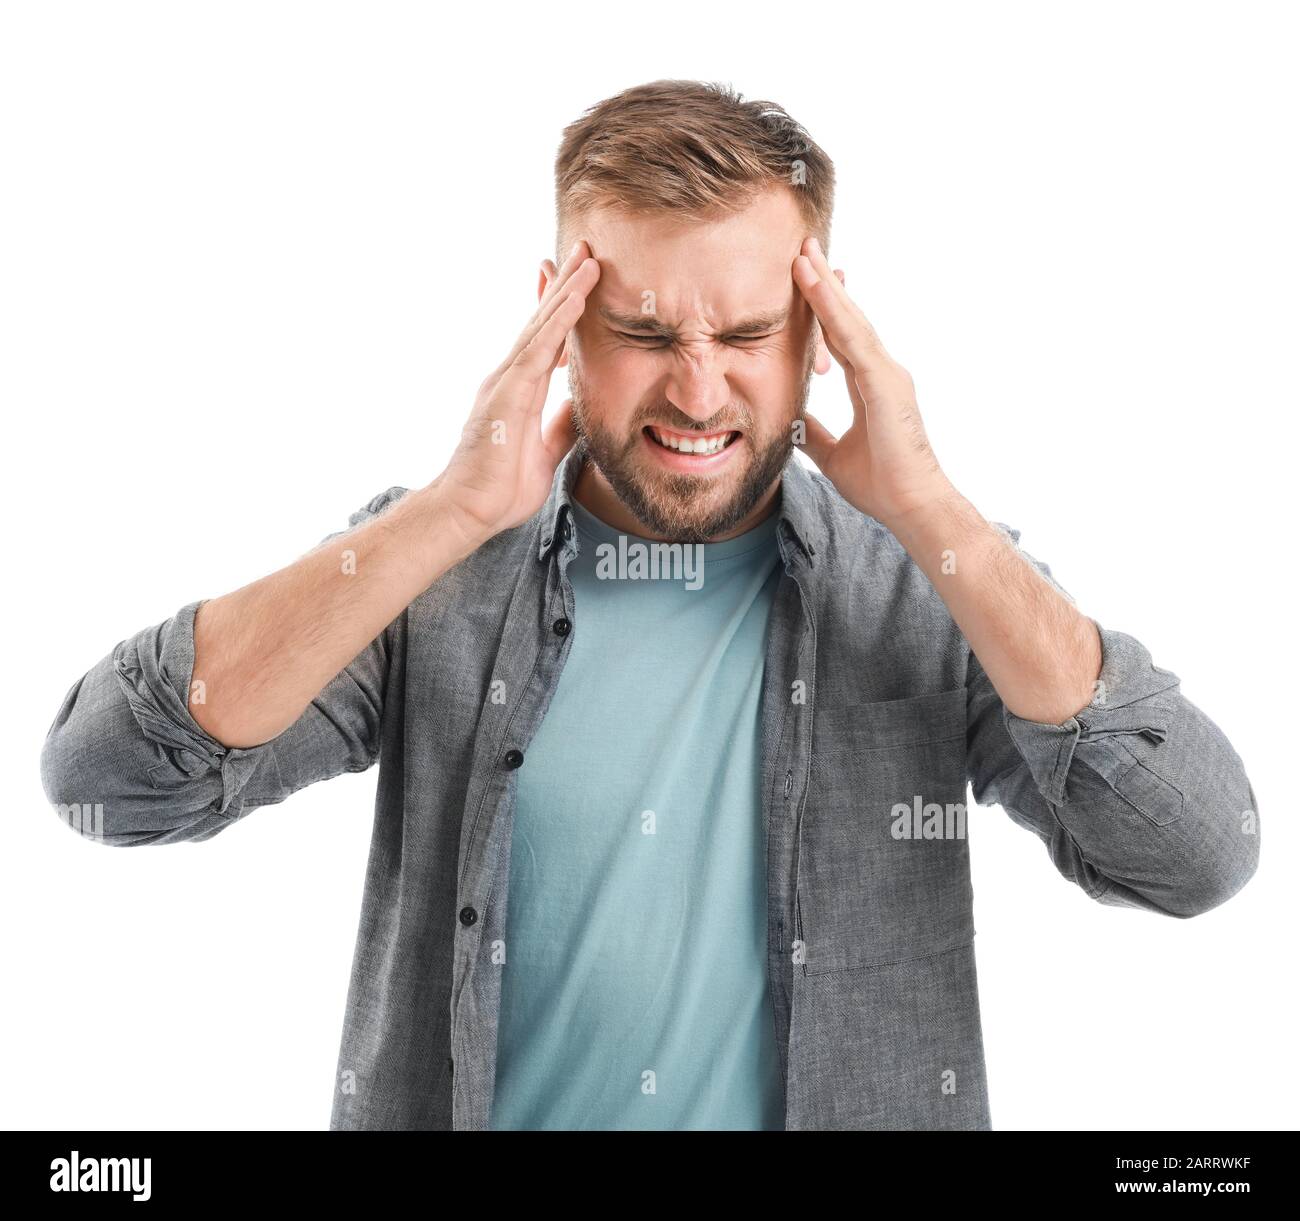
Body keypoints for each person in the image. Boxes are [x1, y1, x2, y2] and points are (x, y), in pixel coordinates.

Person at [40, 79, 1260, 1131]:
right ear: (555, 314)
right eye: (638, 330)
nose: (696, 388)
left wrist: (935, 513)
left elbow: (1197, 855)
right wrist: (453, 511)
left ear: (822, 330)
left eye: (746, 332)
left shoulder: (923, 586)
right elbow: (110, 780)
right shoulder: (430, 574)